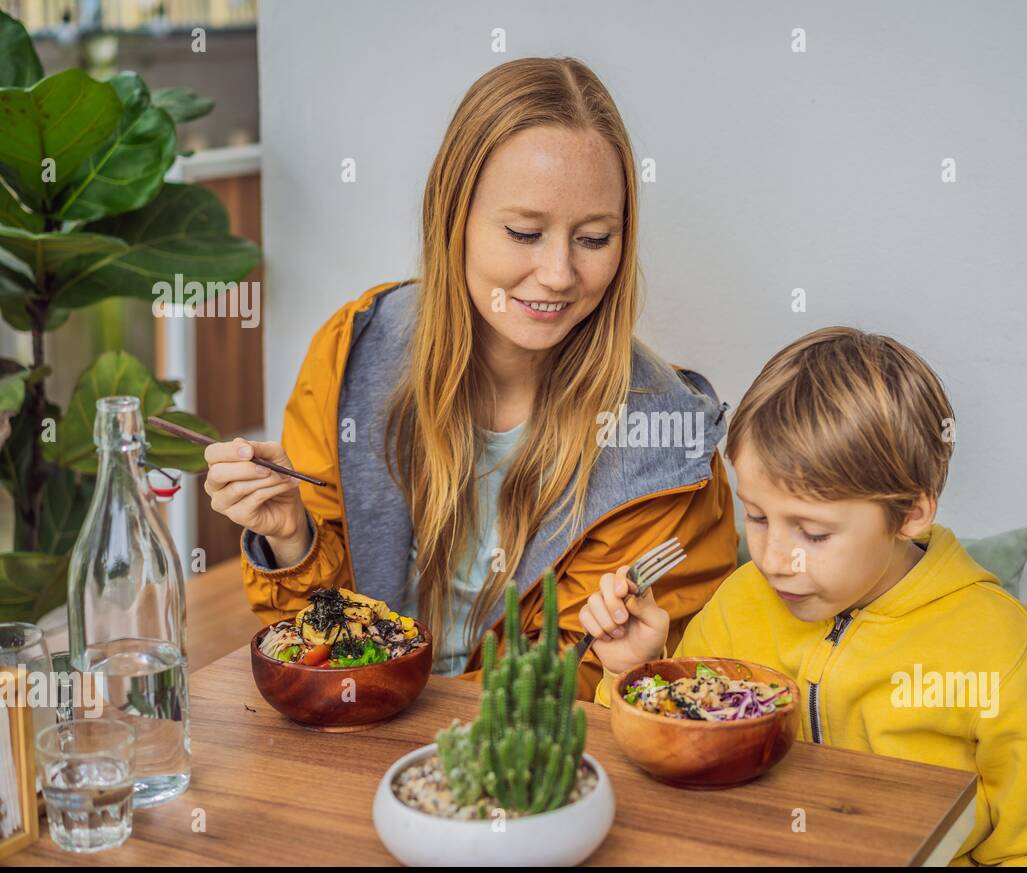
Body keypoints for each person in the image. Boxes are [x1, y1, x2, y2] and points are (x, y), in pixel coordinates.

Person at [204, 57, 737, 697]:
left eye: (594, 239)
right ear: (451, 216)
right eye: (523, 232)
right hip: (357, 739)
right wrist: (292, 537)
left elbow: (574, 697)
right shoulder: (354, 353)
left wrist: (621, 662)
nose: (560, 273)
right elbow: (314, 643)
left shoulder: (667, 447)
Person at [582, 328, 1027, 865]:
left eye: (814, 534)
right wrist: (633, 673)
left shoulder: (1006, 650)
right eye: (756, 517)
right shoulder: (740, 601)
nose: (773, 559)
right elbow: (668, 770)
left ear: (912, 512)